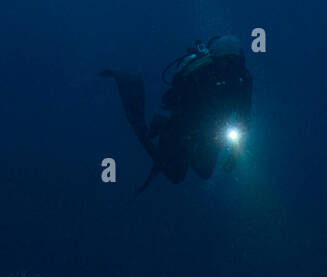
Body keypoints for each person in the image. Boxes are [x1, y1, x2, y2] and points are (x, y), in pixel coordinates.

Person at [102, 35, 252, 192]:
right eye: (225, 61)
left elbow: (244, 117)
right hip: (188, 122)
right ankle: (159, 125)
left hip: (214, 128)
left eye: (234, 62)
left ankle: (169, 136)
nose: (229, 67)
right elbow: (172, 98)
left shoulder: (244, 80)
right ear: (216, 60)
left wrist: (235, 151)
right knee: (175, 174)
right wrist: (184, 131)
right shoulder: (199, 73)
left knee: (205, 172)